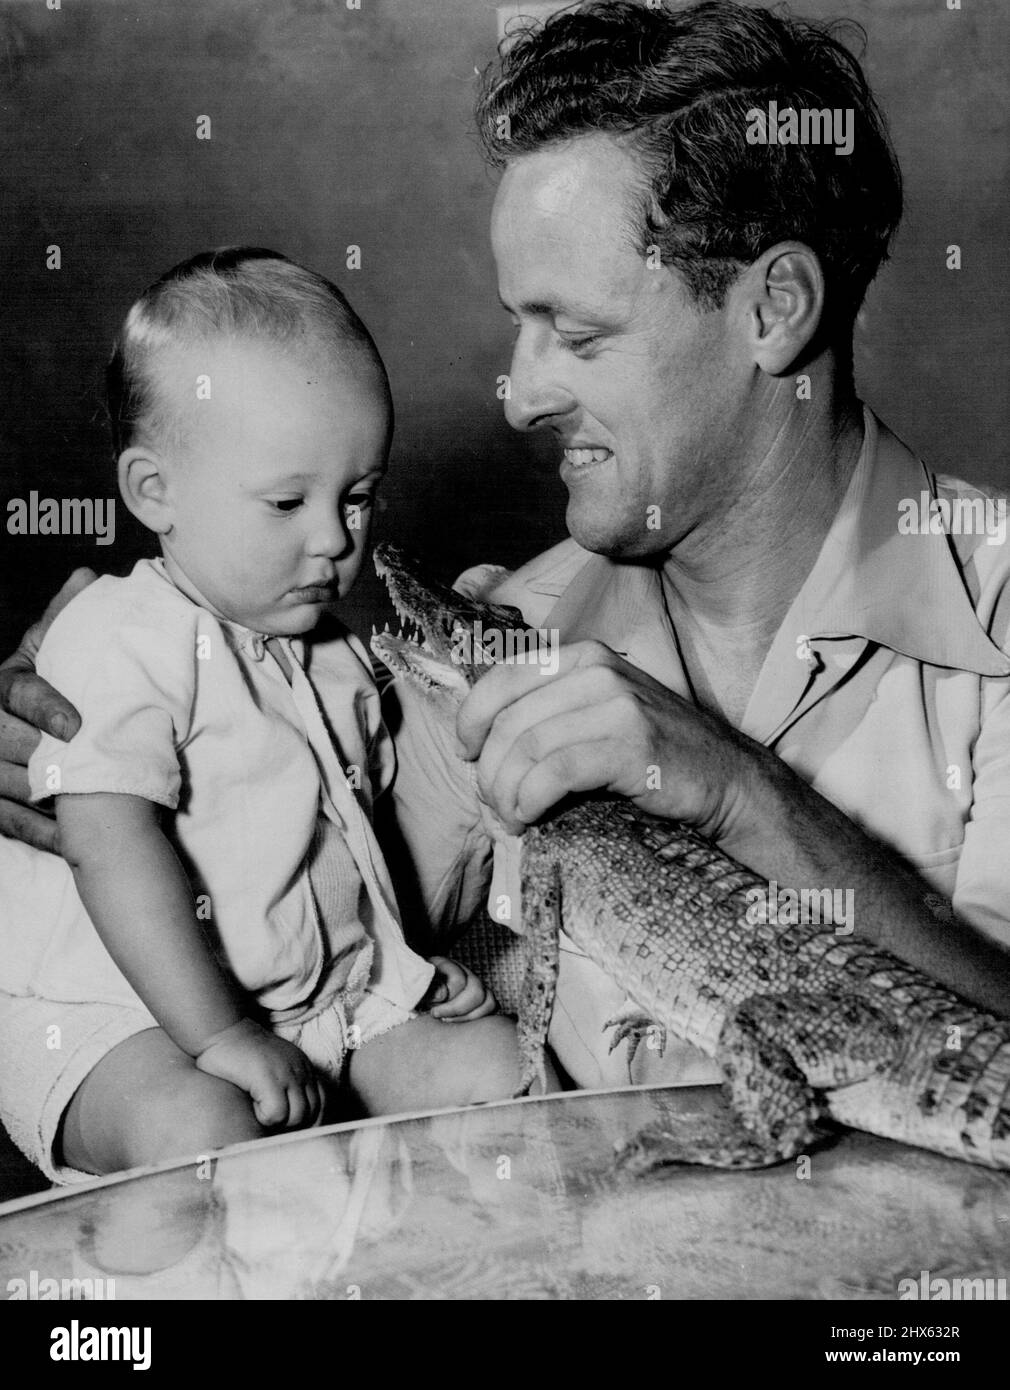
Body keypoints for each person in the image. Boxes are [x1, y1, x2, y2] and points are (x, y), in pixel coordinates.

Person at [3, 1, 1010, 1100]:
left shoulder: (995, 601)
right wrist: (135, 691)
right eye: (516, 329)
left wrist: (743, 797)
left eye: (574, 334)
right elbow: (293, 950)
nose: (521, 395)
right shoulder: (491, 644)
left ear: (772, 308)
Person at [0, 248, 536, 1184]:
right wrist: (221, 1034)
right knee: (205, 1134)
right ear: (152, 492)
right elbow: (107, 844)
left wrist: (400, 969)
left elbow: (350, 839)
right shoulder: (114, 637)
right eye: (288, 502)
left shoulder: (332, 651)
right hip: (124, 1019)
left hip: (323, 1005)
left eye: (358, 498)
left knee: (503, 1069)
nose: (334, 539)